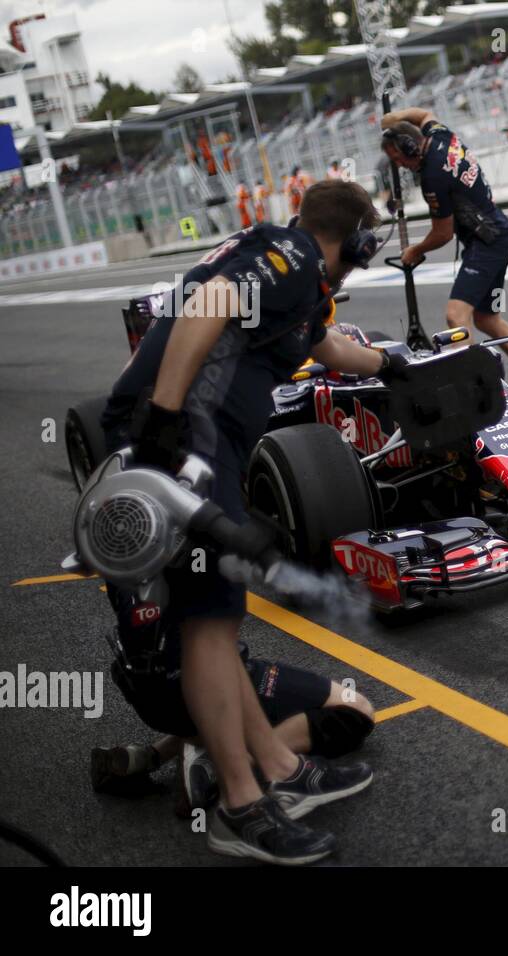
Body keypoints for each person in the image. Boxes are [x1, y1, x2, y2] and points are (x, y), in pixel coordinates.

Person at [99, 180, 402, 863]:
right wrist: (166, 419)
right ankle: (241, 806)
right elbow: (208, 302)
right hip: (187, 439)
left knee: (217, 620)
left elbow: (327, 349)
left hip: (209, 443)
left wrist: (392, 364)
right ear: (352, 239)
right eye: (365, 242)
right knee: (209, 621)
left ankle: (283, 770)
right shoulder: (292, 257)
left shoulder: (294, 278)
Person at [379, 107, 508, 398]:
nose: (401, 165)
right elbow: (423, 113)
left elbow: (442, 234)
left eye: (400, 157)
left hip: (485, 242)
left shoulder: (432, 176)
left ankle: (481, 395)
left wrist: (416, 250)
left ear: (411, 146)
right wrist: (395, 117)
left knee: (456, 315)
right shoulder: (441, 135)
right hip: (498, 234)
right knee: (487, 318)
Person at [92, 643, 375, 814]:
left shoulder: (119, 549)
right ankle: (220, 763)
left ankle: (149, 756)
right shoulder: (188, 548)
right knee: (355, 710)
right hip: (206, 676)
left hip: (144, 685)